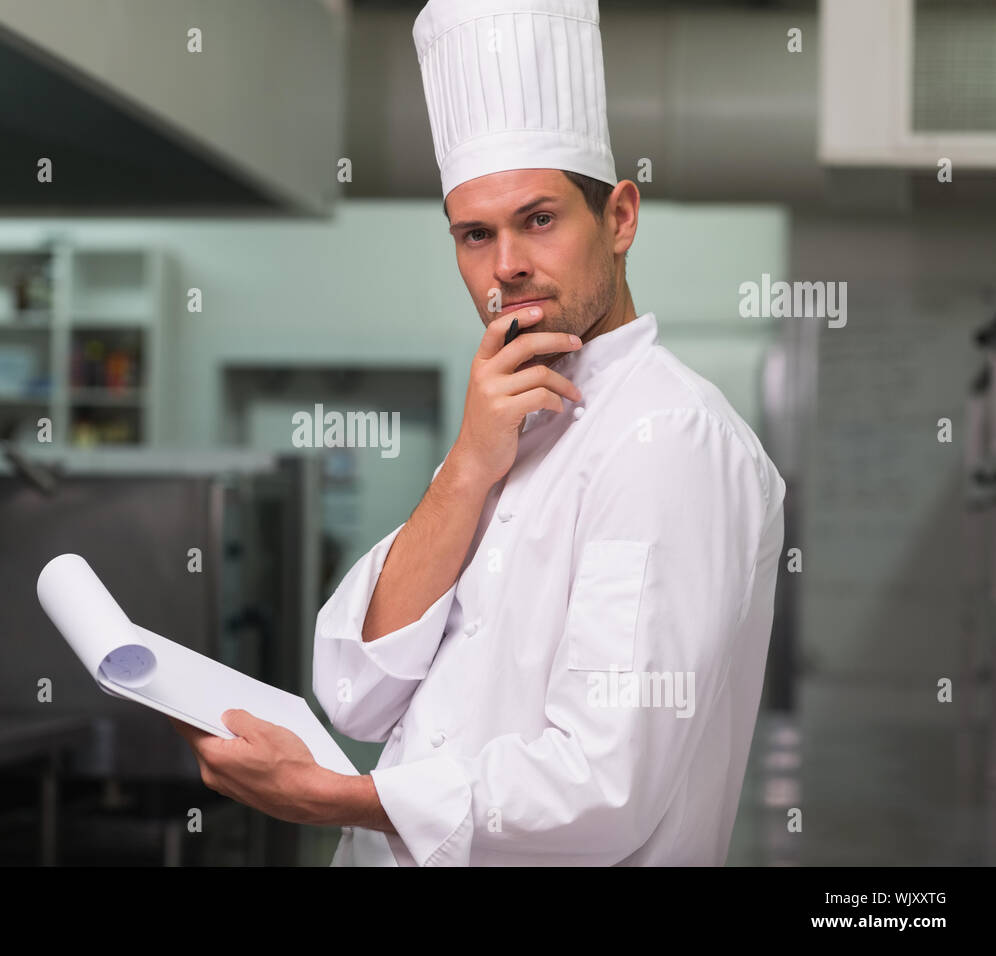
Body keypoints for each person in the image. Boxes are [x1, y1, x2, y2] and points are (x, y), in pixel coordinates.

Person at [171, 0, 786, 866]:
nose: (506, 267)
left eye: (539, 219)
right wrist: (466, 465)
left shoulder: (669, 438)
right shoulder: (507, 422)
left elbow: (604, 788)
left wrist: (337, 797)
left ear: (619, 218)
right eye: (474, 234)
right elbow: (354, 691)